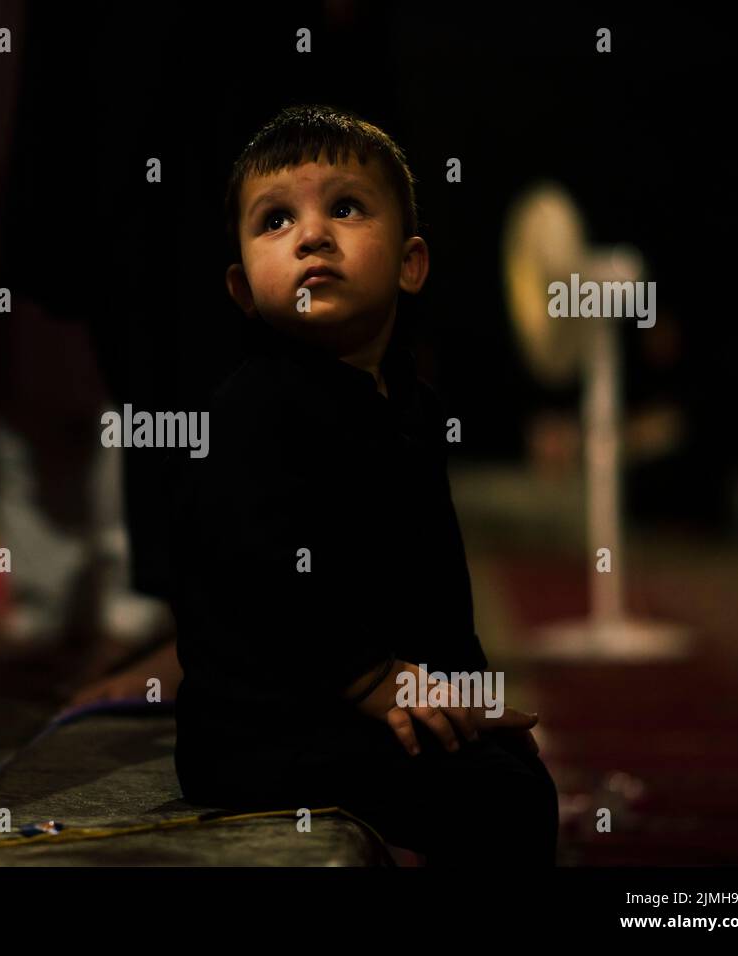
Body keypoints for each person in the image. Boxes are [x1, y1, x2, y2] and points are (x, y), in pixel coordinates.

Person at [169, 104, 559, 866]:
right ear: (244, 289)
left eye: (344, 208)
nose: (312, 235)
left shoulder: (412, 407)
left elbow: (436, 578)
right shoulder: (254, 408)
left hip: (362, 701)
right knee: (498, 803)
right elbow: (271, 577)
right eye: (275, 221)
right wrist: (372, 679)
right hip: (267, 730)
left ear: (412, 262)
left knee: (517, 770)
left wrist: (462, 691)